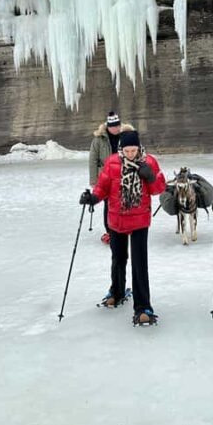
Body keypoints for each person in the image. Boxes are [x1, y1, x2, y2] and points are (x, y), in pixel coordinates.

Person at [80, 129, 166, 326]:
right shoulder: (111, 163)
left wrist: (151, 177)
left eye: (134, 150)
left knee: (139, 263)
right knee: (118, 258)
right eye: (127, 150)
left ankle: (143, 306)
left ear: (138, 148)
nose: (130, 154)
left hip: (139, 221)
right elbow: (102, 188)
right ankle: (117, 292)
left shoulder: (149, 162)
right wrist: (92, 198)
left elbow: (159, 190)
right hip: (116, 219)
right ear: (121, 149)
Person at [88, 111, 134, 244]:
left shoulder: (127, 136)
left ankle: (126, 228)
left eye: (118, 125)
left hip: (125, 175)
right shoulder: (98, 140)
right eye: (113, 126)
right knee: (109, 205)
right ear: (108, 126)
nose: (116, 128)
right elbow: (93, 160)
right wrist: (94, 181)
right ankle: (110, 231)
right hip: (106, 177)